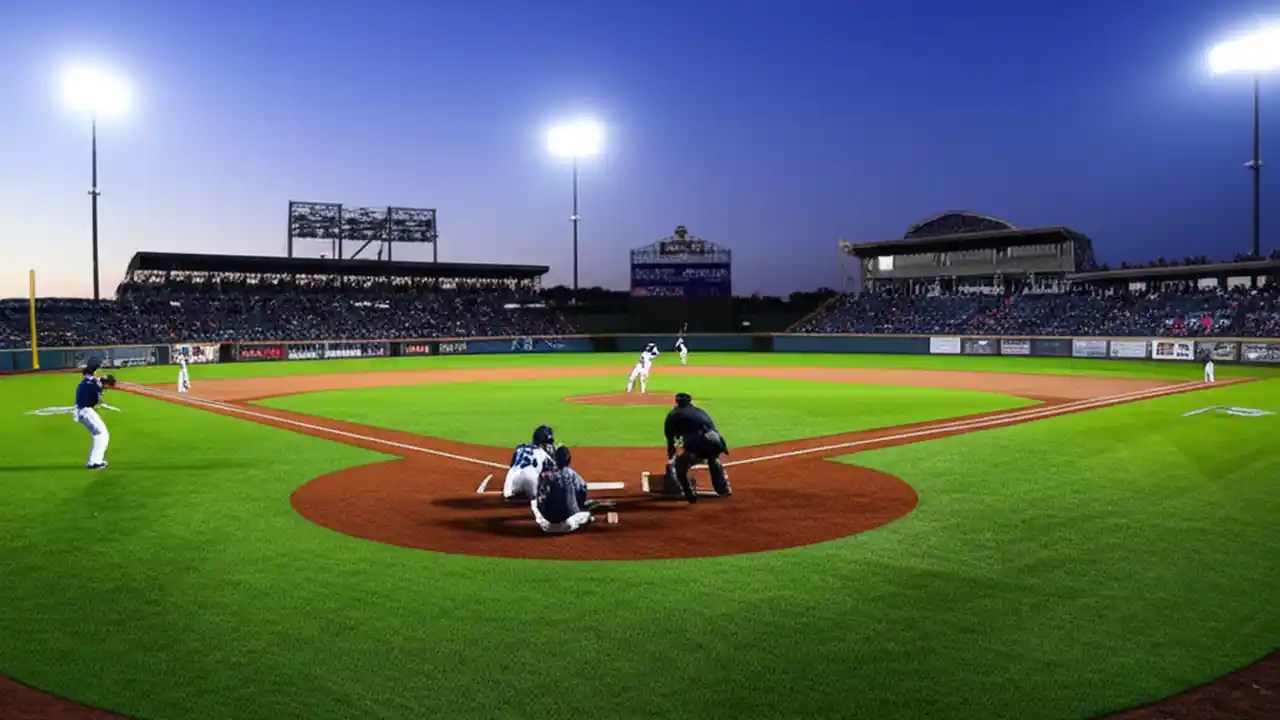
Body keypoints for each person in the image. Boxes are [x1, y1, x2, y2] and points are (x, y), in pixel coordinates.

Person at [663, 392, 730, 503]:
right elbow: (713, 428)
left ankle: (689, 493)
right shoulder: (700, 411)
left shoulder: (673, 415)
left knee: (680, 465)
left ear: (677, 402)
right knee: (713, 458)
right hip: (716, 439)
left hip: (697, 441)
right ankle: (723, 489)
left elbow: (671, 440)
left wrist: (671, 456)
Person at [531, 446, 615, 533]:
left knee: (535, 503)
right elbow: (583, 491)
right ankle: (593, 518)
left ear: (555, 459)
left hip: (546, 526)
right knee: (588, 514)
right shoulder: (573, 474)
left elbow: (540, 500)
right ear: (569, 460)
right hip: (569, 524)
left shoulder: (546, 475)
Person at [74, 359, 118, 469]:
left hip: (83, 411)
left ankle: (94, 461)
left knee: (99, 434)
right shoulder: (95, 384)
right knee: (102, 434)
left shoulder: (89, 380)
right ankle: (94, 462)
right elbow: (97, 399)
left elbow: (91, 377)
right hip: (86, 411)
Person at [503, 424, 557, 500]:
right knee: (549, 475)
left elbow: (512, 465)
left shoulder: (519, 447)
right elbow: (555, 472)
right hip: (531, 486)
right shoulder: (543, 453)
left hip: (510, 484)